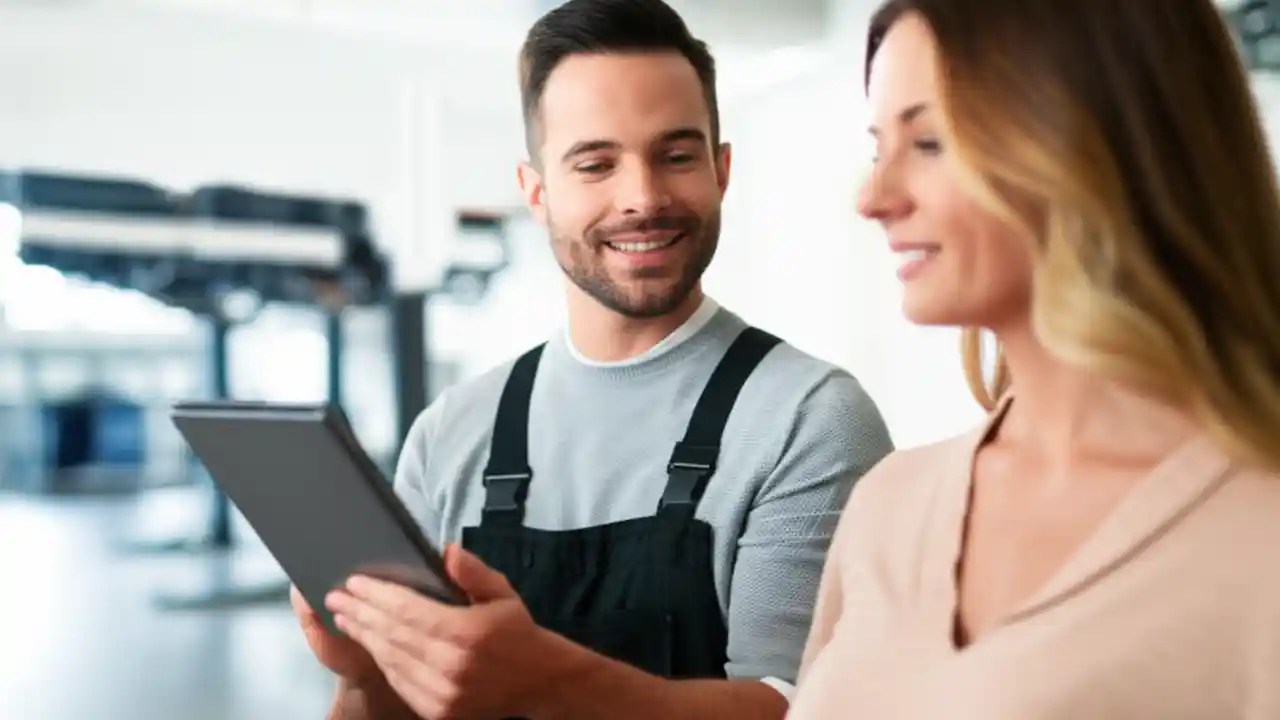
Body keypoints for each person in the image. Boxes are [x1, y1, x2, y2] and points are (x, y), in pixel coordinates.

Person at [291, 1, 894, 718]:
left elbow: (800, 709)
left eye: (676, 155)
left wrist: (538, 676)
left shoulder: (811, 419)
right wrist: (365, 676)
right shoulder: (450, 433)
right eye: (595, 164)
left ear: (721, 169)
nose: (641, 197)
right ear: (537, 193)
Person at [788, 0, 1280, 718]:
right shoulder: (888, 505)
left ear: (1092, 146)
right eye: (878, 148)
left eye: (931, 143)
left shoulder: (1255, 532)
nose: (874, 197)